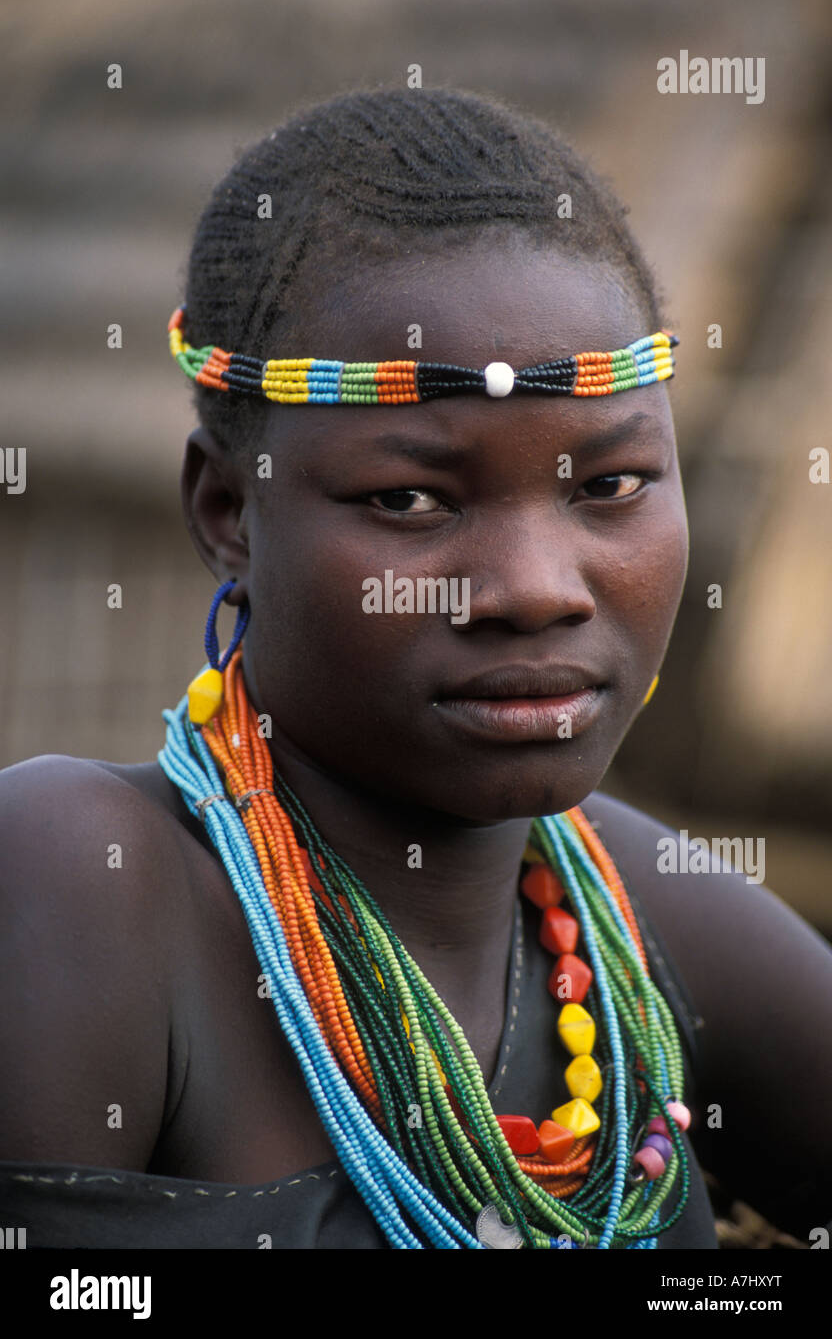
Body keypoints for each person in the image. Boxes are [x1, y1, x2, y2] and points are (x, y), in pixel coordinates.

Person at [1, 86, 830, 1250]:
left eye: (609, 485)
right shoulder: (88, 881)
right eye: (410, 498)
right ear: (230, 511)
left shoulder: (643, 906)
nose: (538, 585)